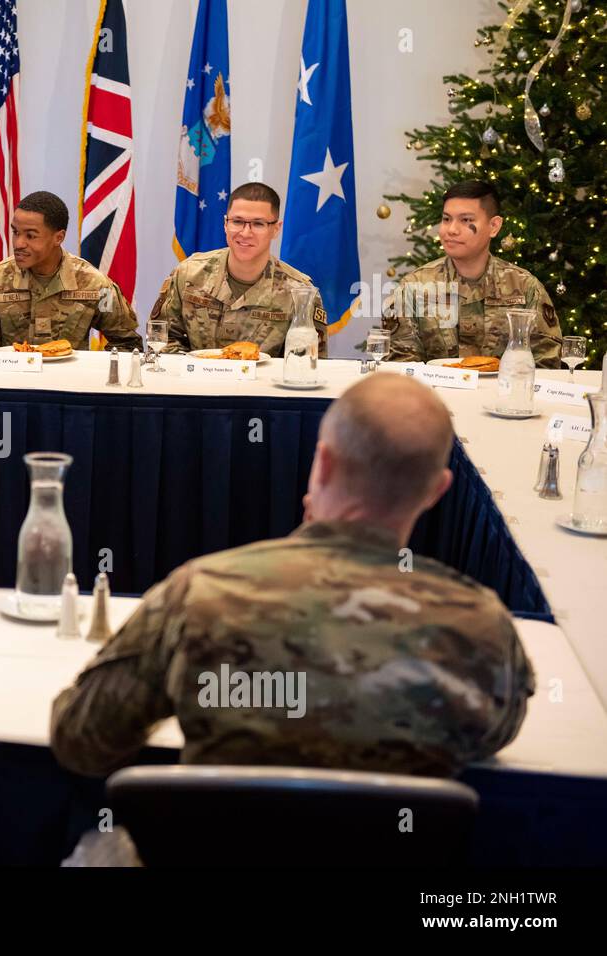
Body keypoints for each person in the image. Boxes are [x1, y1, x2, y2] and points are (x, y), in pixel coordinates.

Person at [51, 373, 533, 779]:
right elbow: (490, 741)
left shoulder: (200, 595)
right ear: (437, 491)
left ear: (322, 462)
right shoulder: (482, 629)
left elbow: (82, 740)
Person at [382, 180, 561, 367]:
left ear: (494, 226)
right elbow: (399, 364)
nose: (451, 230)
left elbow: (546, 364)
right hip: (435, 394)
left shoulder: (524, 287)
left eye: (466, 220)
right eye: (446, 219)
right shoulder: (414, 286)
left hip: (503, 394)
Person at [149, 182, 327, 357]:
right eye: (238, 221)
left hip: (264, 385)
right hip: (197, 381)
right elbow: (161, 341)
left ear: (276, 229)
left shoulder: (300, 291)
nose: (245, 233)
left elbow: (308, 363)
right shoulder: (189, 274)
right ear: (225, 224)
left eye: (258, 224)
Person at [0, 191, 140, 351]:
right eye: (16, 232)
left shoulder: (96, 285)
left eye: (31, 236)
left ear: (58, 237)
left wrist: (94, 373)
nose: (18, 243)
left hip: (70, 382)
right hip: (13, 381)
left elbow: (127, 344)